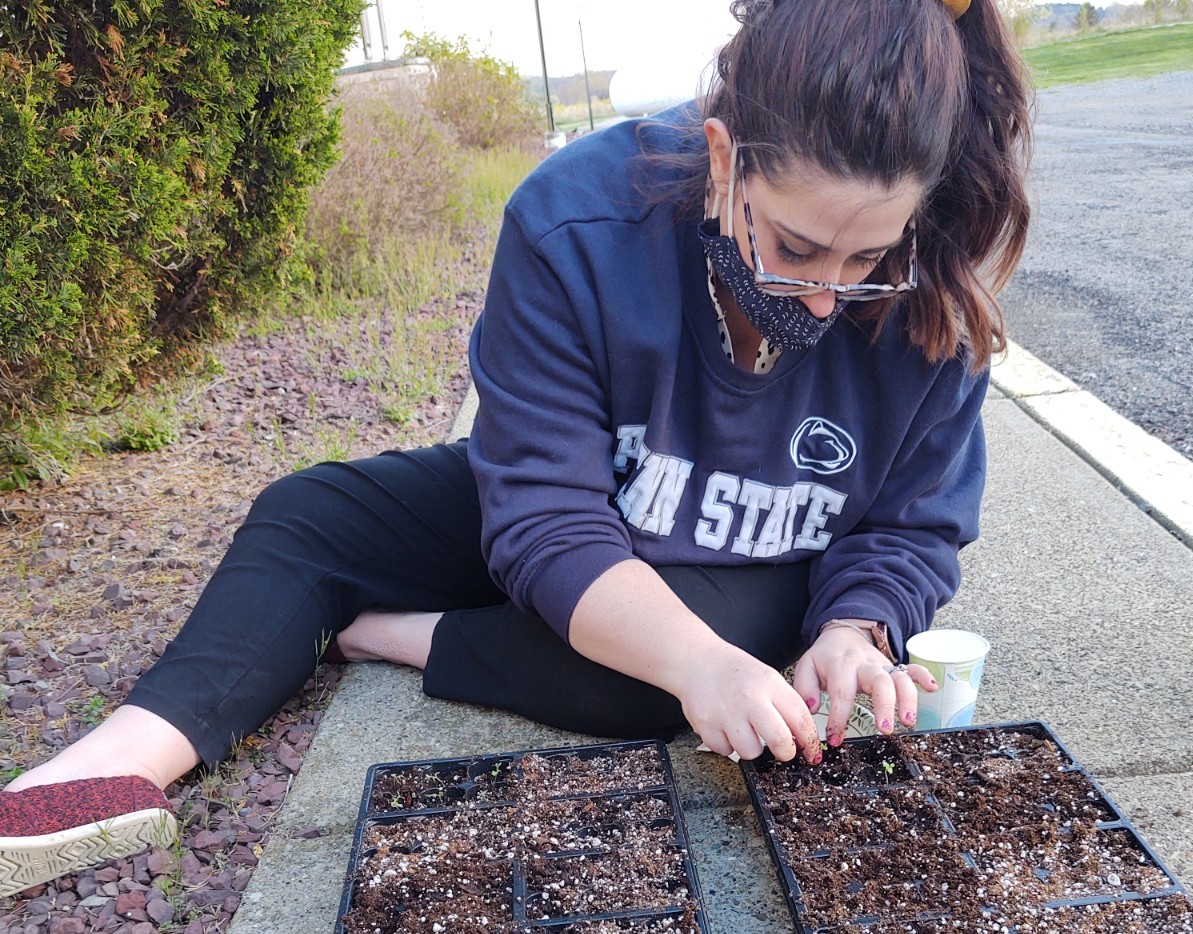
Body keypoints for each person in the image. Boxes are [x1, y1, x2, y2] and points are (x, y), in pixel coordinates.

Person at [0, 0, 1031, 899]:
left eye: (861, 258)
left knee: (710, 660)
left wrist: (854, 629)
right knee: (310, 514)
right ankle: (110, 769)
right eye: (793, 247)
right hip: (600, 507)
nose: (819, 294)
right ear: (723, 161)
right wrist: (686, 653)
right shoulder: (577, 217)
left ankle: (385, 631)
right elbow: (543, 512)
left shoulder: (929, 294)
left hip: (749, 563)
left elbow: (907, 522)